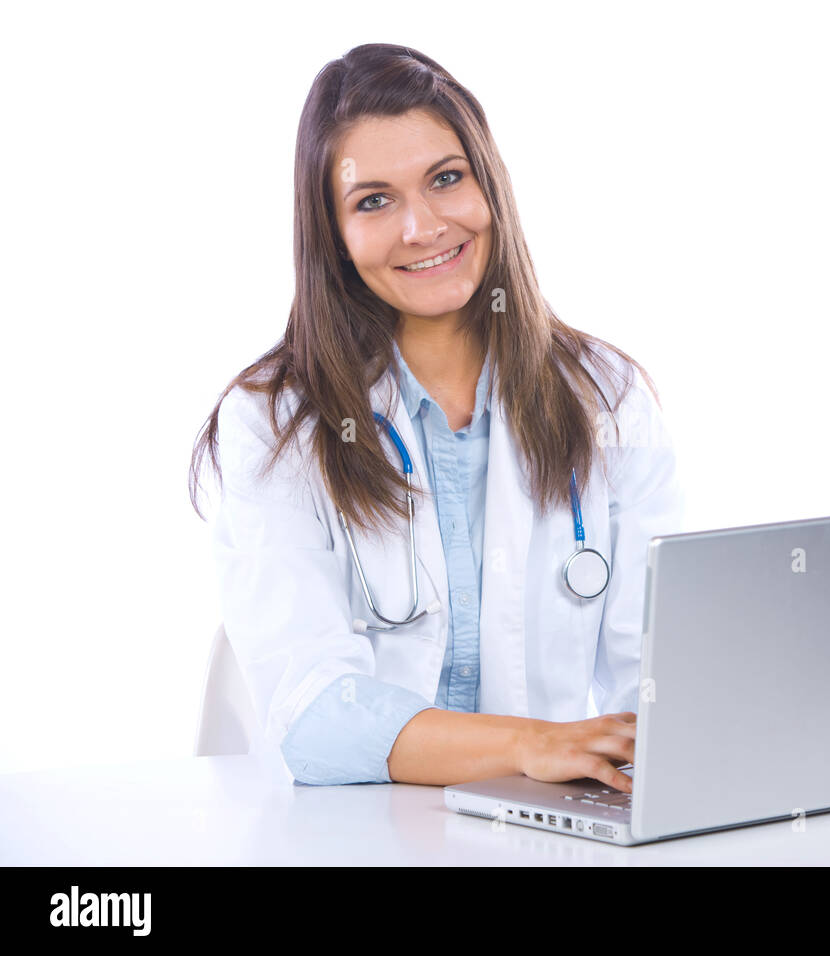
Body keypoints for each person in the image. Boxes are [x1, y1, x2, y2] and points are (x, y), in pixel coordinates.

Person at [188, 43, 685, 792]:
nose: (422, 228)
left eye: (446, 179)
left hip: (541, 830)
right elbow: (317, 714)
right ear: (333, 233)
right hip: (349, 839)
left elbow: (661, 683)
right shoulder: (273, 419)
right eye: (374, 200)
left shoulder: (608, 398)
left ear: (491, 187)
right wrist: (532, 744)